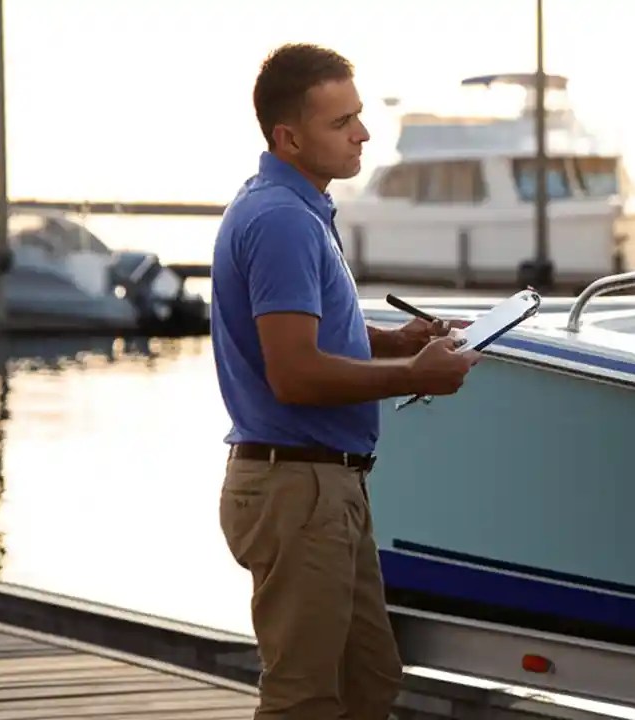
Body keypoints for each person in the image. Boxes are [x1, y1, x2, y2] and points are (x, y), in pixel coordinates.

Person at [209, 42, 479, 719]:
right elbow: (294, 374)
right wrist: (413, 374)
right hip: (298, 489)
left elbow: (305, 338)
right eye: (341, 122)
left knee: (369, 679)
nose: (363, 134)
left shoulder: (292, 209)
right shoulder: (281, 221)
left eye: (357, 116)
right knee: (304, 699)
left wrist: (397, 340)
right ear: (289, 138)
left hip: (321, 484)